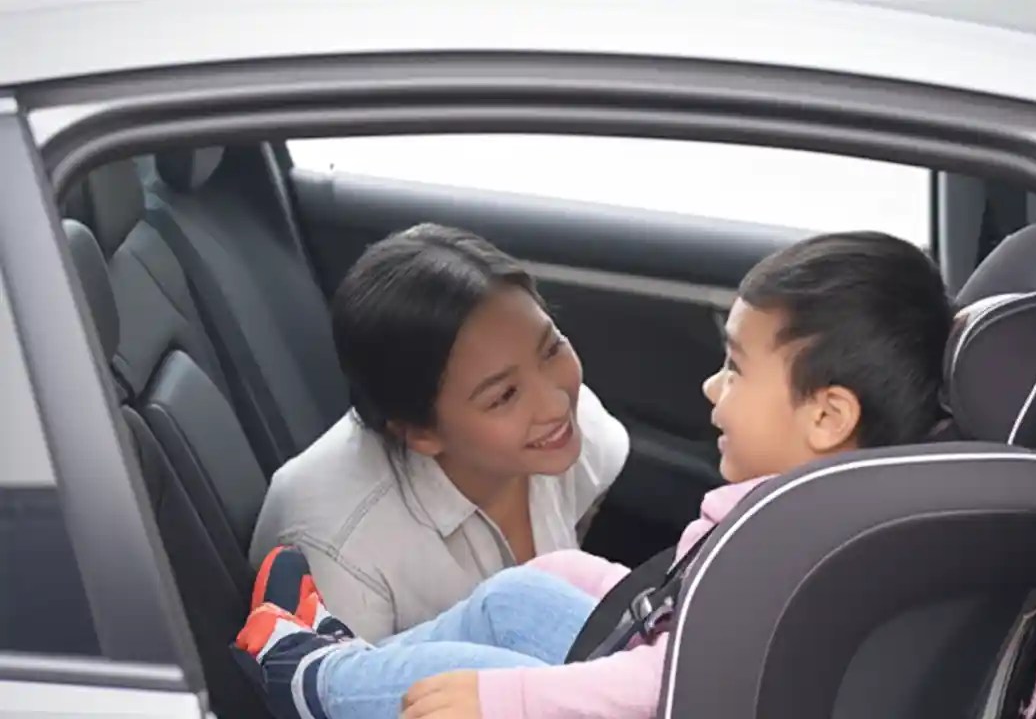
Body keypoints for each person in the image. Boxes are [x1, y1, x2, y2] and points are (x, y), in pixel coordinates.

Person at [235, 231, 954, 719]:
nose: (711, 387)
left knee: (468, 679)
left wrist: (502, 700)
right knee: (522, 593)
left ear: (827, 417)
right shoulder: (855, 506)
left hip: (689, 691)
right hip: (707, 679)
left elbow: (675, 679)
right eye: (504, 394)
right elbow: (692, 622)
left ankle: (305, 673)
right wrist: (580, 576)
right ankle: (342, 661)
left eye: (734, 368)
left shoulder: (798, 540)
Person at [249, 224, 630, 641]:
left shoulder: (567, 428)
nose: (557, 403)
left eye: (551, 348)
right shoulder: (338, 551)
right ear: (420, 432)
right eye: (504, 396)